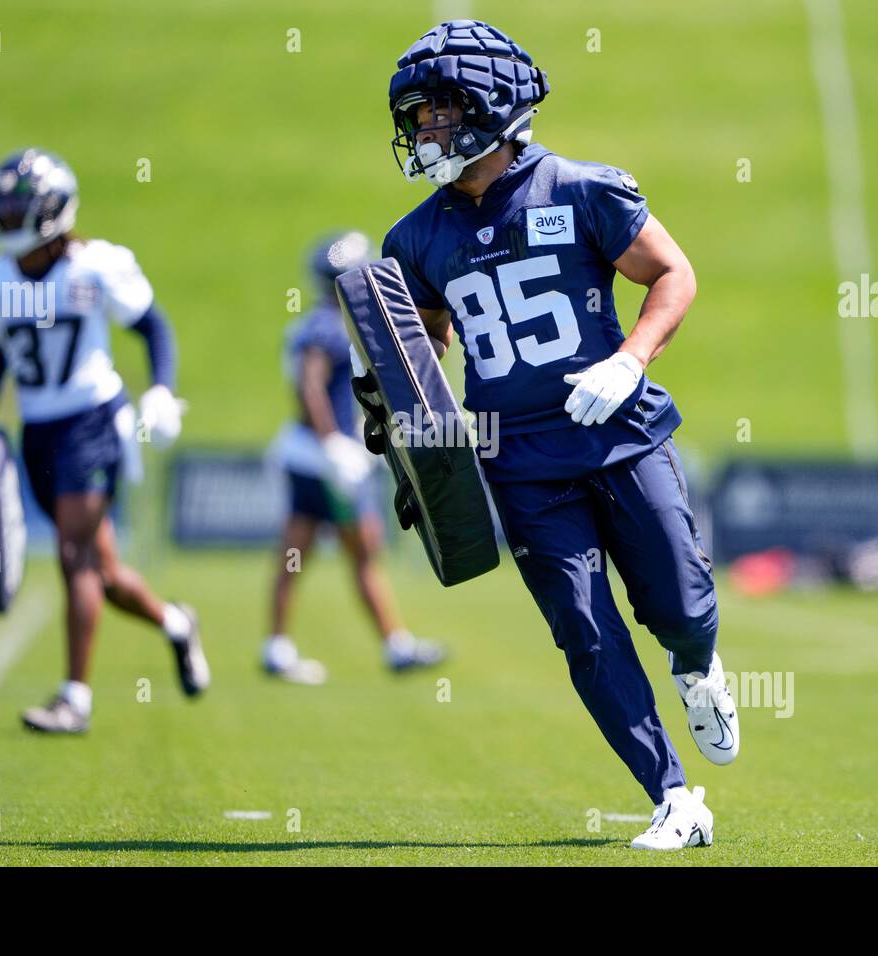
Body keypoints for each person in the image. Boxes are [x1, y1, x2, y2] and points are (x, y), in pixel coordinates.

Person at [369, 19, 740, 851]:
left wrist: (631, 359)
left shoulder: (580, 189)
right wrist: (398, 403)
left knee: (680, 606)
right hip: (520, 461)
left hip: (617, 432)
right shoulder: (415, 236)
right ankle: (673, 794)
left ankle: (698, 666)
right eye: (416, 118)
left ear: (490, 103)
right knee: (584, 625)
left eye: (438, 113)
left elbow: (674, 273)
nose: (424, 132)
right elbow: (424, 349)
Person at [0, 147, 210, 733]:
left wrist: (163, 392)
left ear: (51, 212)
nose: (5, 216)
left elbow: (153, 326)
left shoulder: (95, 268)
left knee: (73, 555)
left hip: (93, 422)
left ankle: (75, 698)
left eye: (17, 206)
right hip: (38, 431)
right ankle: (176, 623)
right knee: (103, 569)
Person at [263, 231, 446, 684]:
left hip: (307, 455)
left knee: (294, 551)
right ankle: (395, 646)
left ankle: (277, 645)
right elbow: (310, 384)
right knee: (363, 552)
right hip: (329, 458)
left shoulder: (313, 321)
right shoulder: (330, 324)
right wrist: (333, 444)